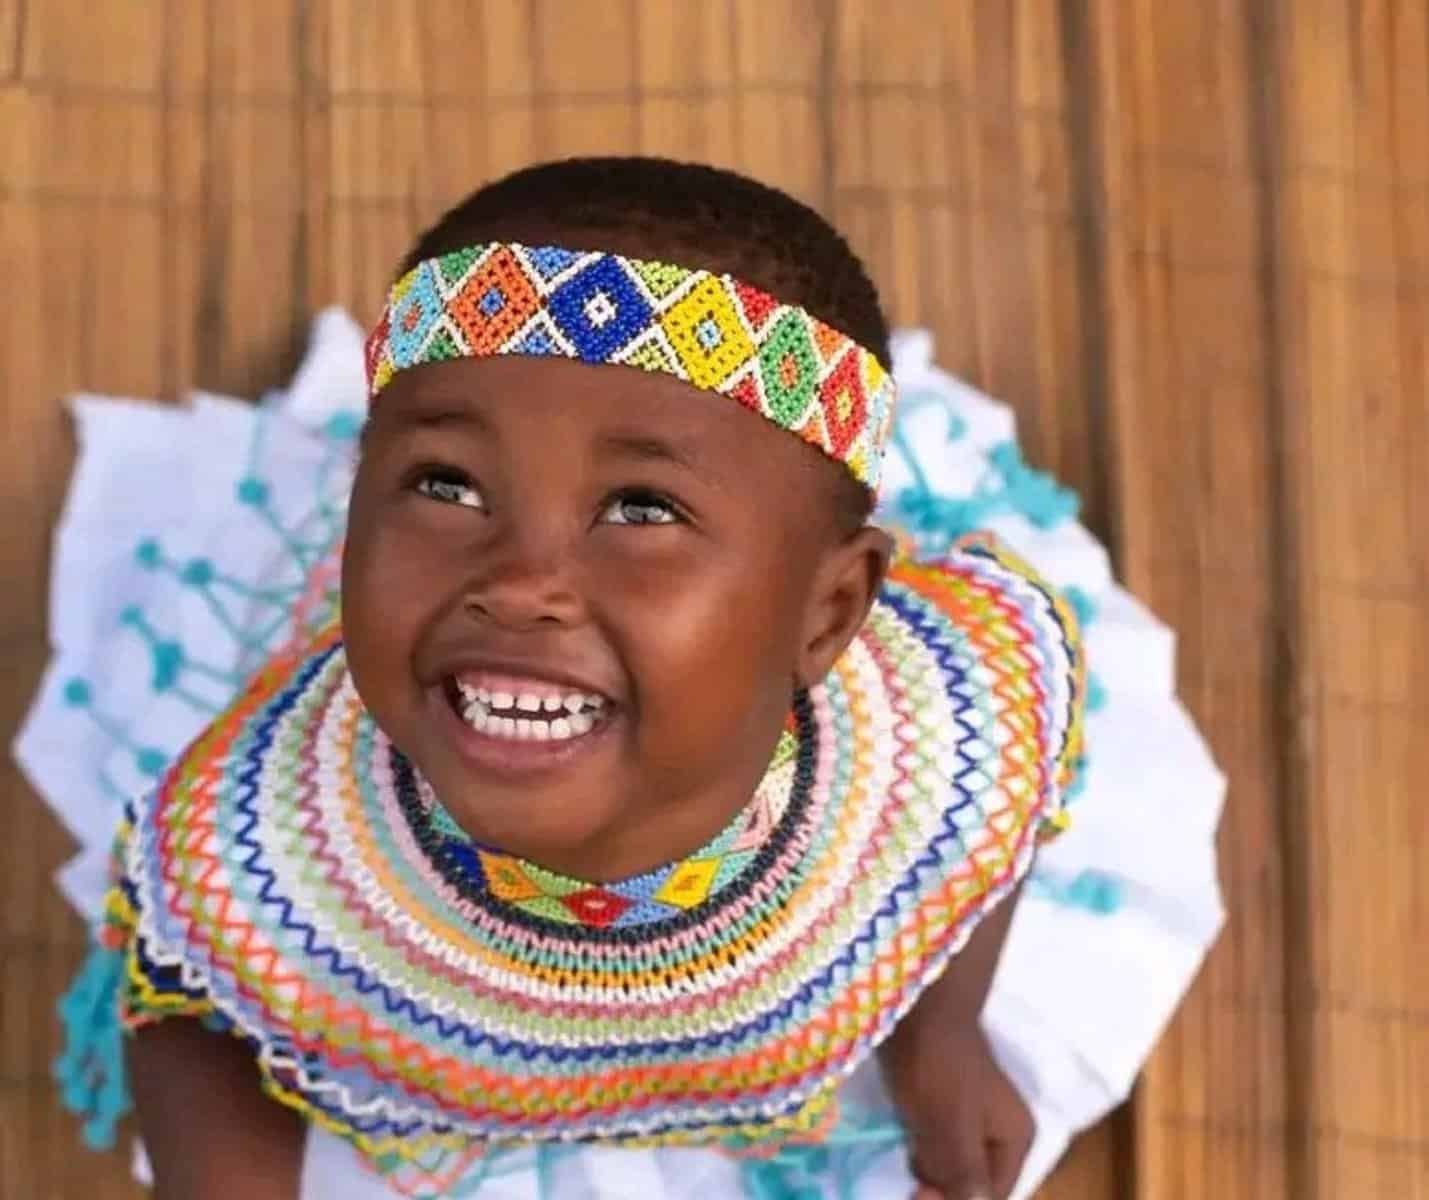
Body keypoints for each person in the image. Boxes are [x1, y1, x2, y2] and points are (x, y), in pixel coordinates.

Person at [57, 158, 1087, 1200]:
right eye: (444, 485)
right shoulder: (264, 848)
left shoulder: (935, 761)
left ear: (824, 615)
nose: (518, 586)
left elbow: (972, 852)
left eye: (641, 509)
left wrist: (938, 1041)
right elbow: (195, 1009)